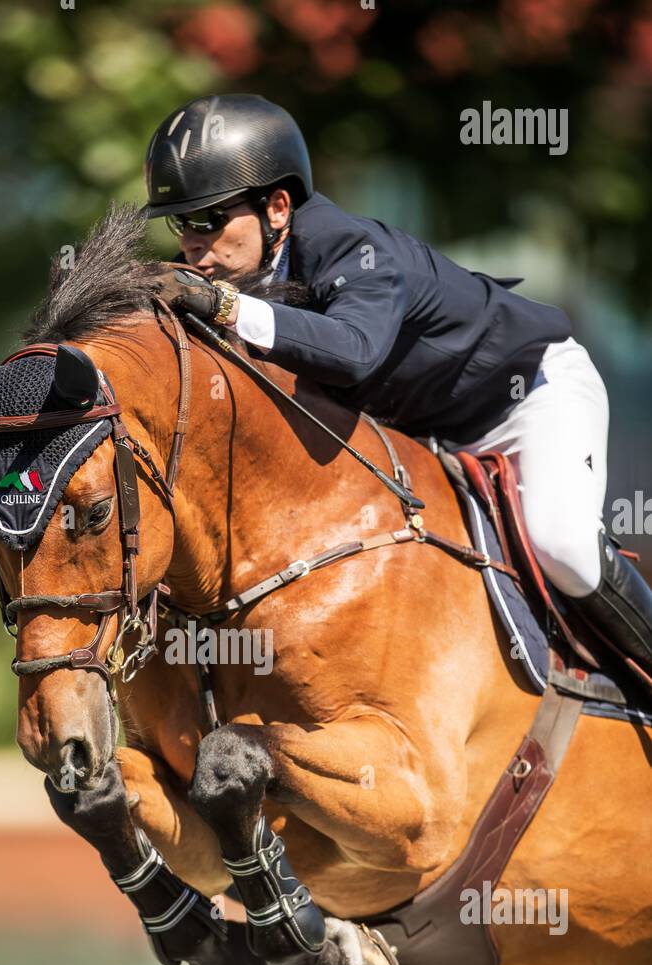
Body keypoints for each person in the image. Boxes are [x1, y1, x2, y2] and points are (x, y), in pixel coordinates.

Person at [143, 93, 652, 675]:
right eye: (182, 223)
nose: (191, 242)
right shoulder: (245, 278)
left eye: (209, 218)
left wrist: (226, 307)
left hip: (530, 398)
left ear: (278, 207)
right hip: (428, 435)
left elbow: (354, 353)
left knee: (565, 549)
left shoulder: (354, 250)